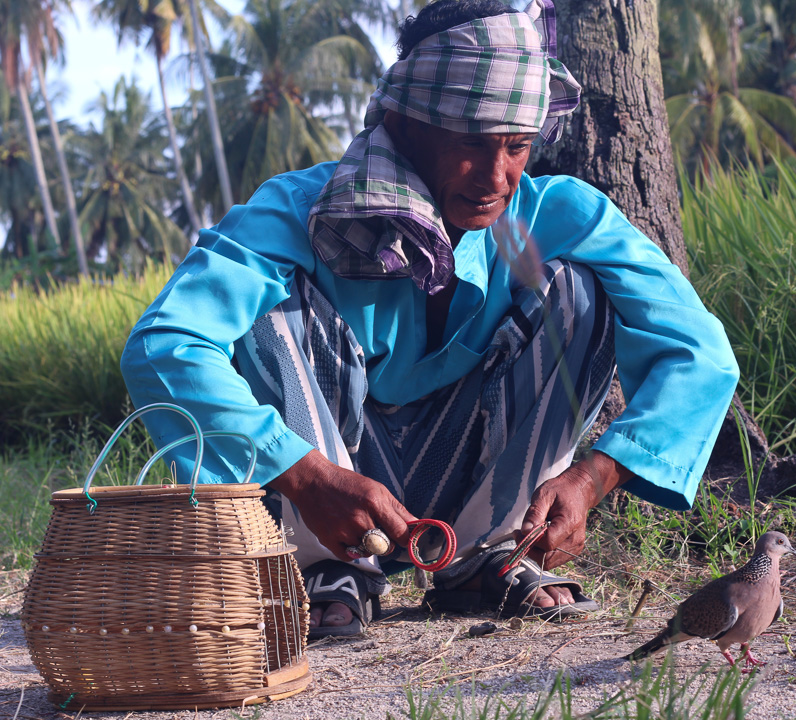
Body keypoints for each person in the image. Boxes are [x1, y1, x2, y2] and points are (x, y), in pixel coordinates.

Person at [121, 0, 739, 638]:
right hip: (324, 487)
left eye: (517, 147)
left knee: (579, 291)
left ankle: (488, 554)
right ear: (404, 125)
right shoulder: (295, 210)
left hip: (472, 469)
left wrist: (594, 475)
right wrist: (305, 476)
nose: (496, 177)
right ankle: (323, 565)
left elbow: (700, 352)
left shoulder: (560, 215)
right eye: (472, 145)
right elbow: (166, 344)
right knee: (264, 309)